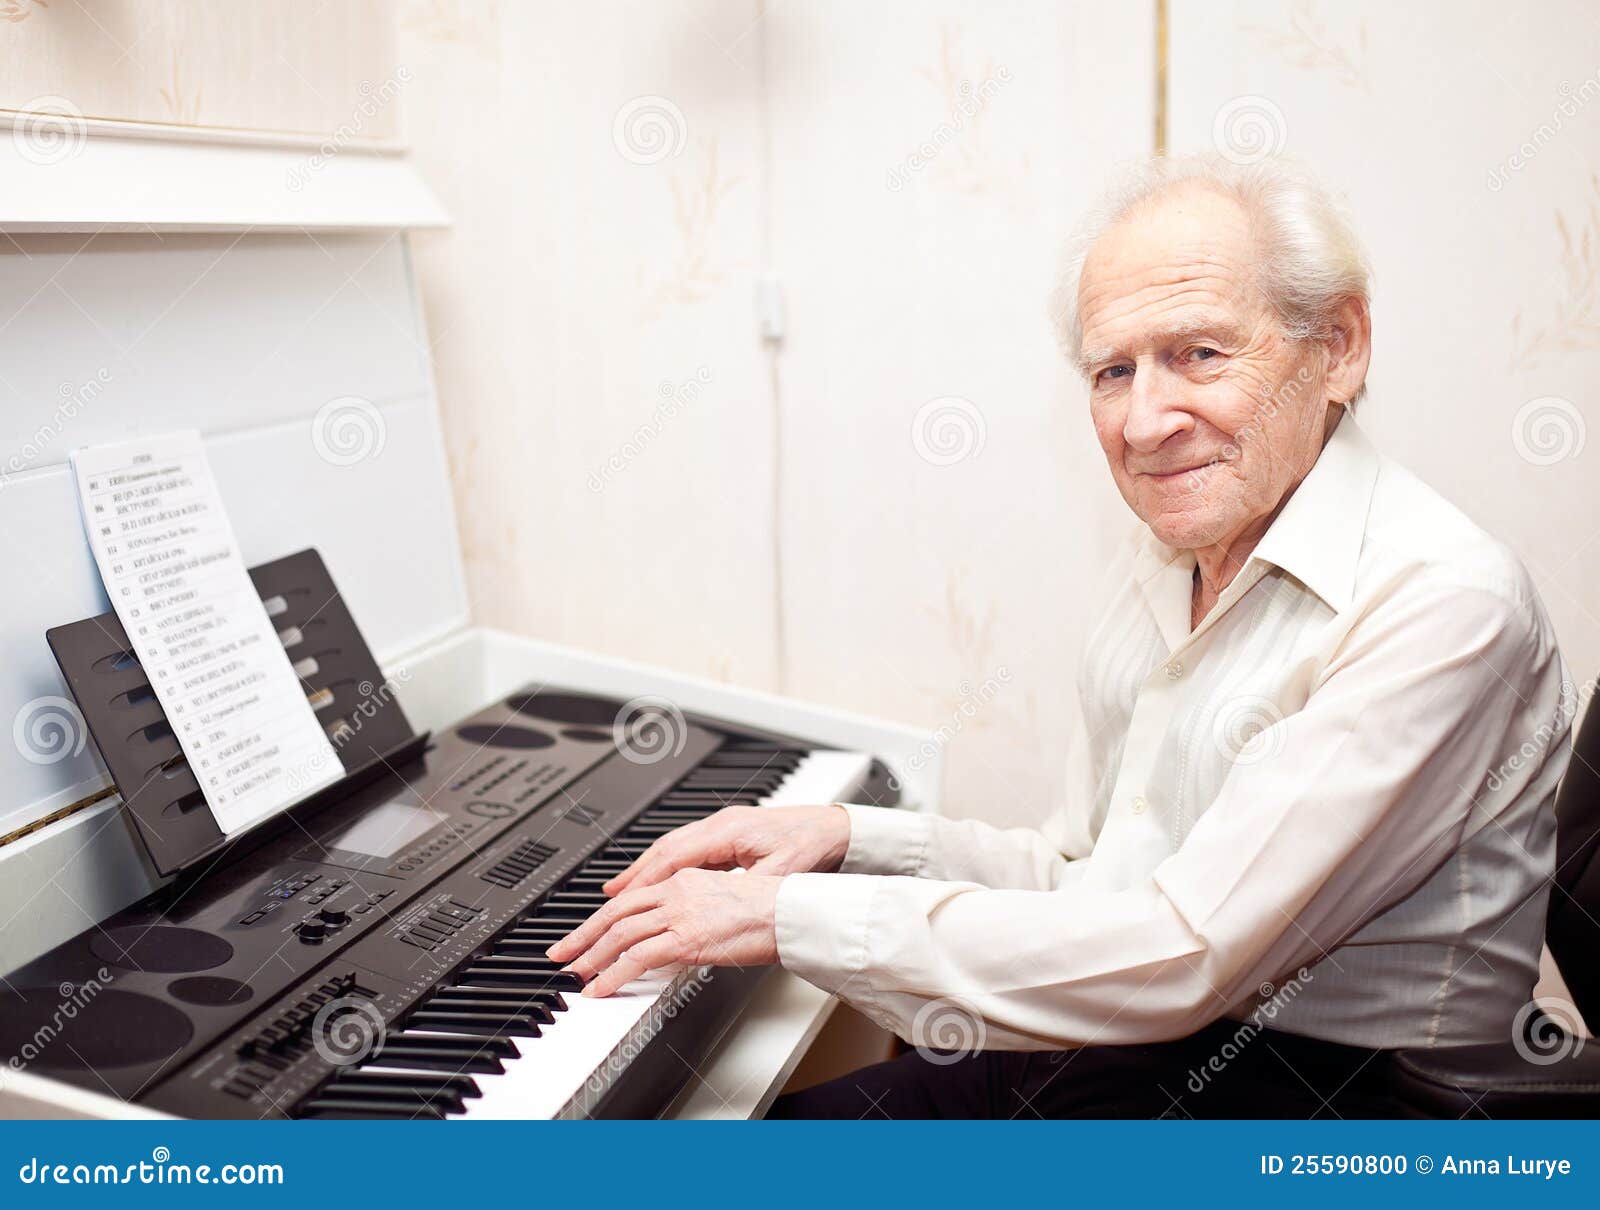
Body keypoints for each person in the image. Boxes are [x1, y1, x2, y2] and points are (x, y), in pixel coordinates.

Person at [547, 154, 1571, 1118]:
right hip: (1153, 1048)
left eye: (1197, 354)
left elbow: (1183, 950)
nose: (1143, 420)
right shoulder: (1181, 549)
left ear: (1337, 348)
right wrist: (851, 844)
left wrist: (780, 919)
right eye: (1111, 372)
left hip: (1353, 1110)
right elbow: (1091, 875)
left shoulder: (1441, 599)